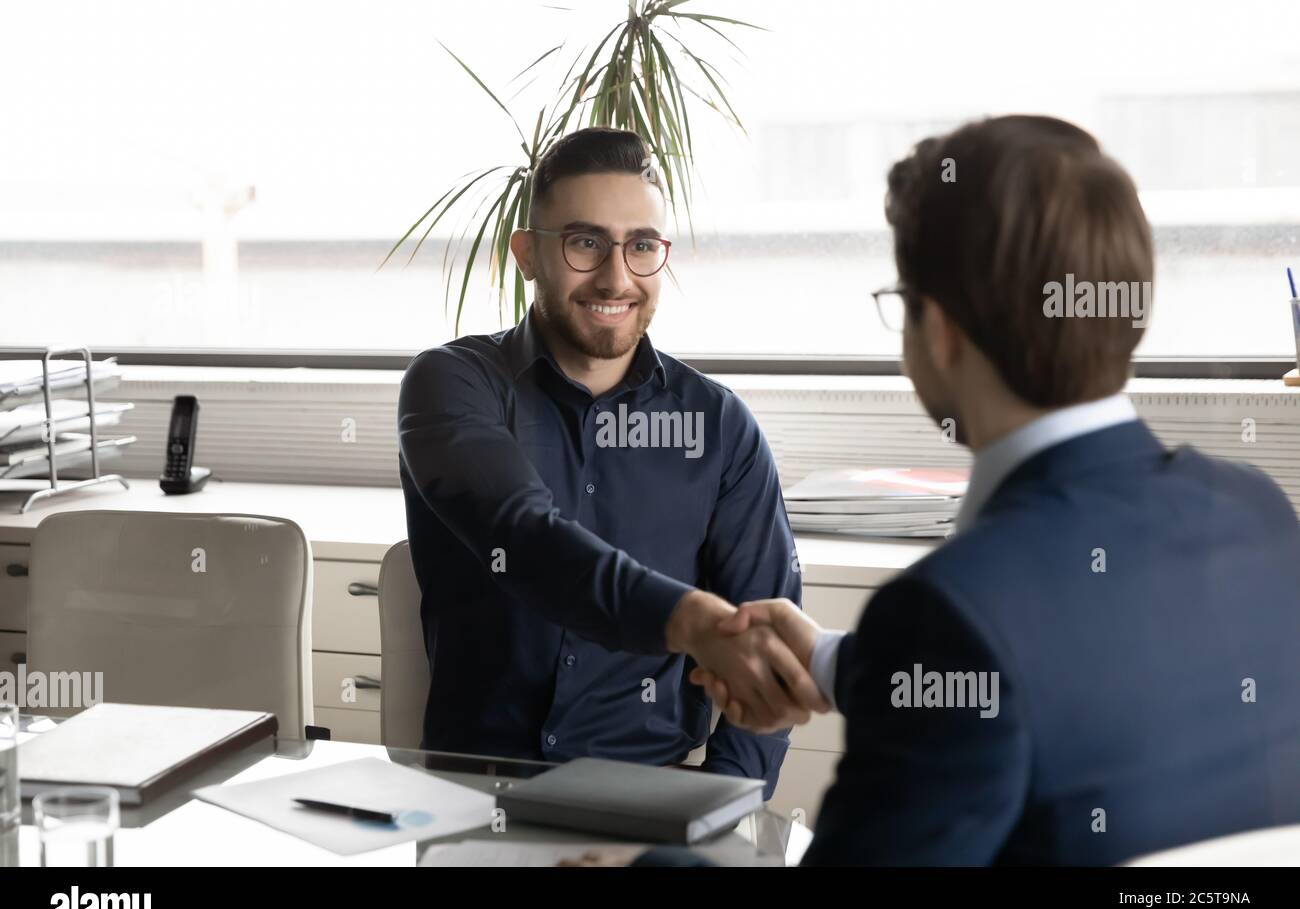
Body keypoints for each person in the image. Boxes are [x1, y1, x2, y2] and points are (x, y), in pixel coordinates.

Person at [663, 114, 1300, 865]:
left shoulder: (951, 610)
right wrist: (835, 665)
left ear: (940, 330)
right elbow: (1052, 677)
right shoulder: (1257, 512)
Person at [397, 127, 825, 799]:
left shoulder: (719, 427)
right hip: (474, 802)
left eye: (643, 246)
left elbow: (765, 642)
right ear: (528, 253)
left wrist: (707, 819)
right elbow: (527, 538)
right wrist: (694, 623)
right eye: (585, 242)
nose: (617, 277)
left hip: (653, 799)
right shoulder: (452, 384)